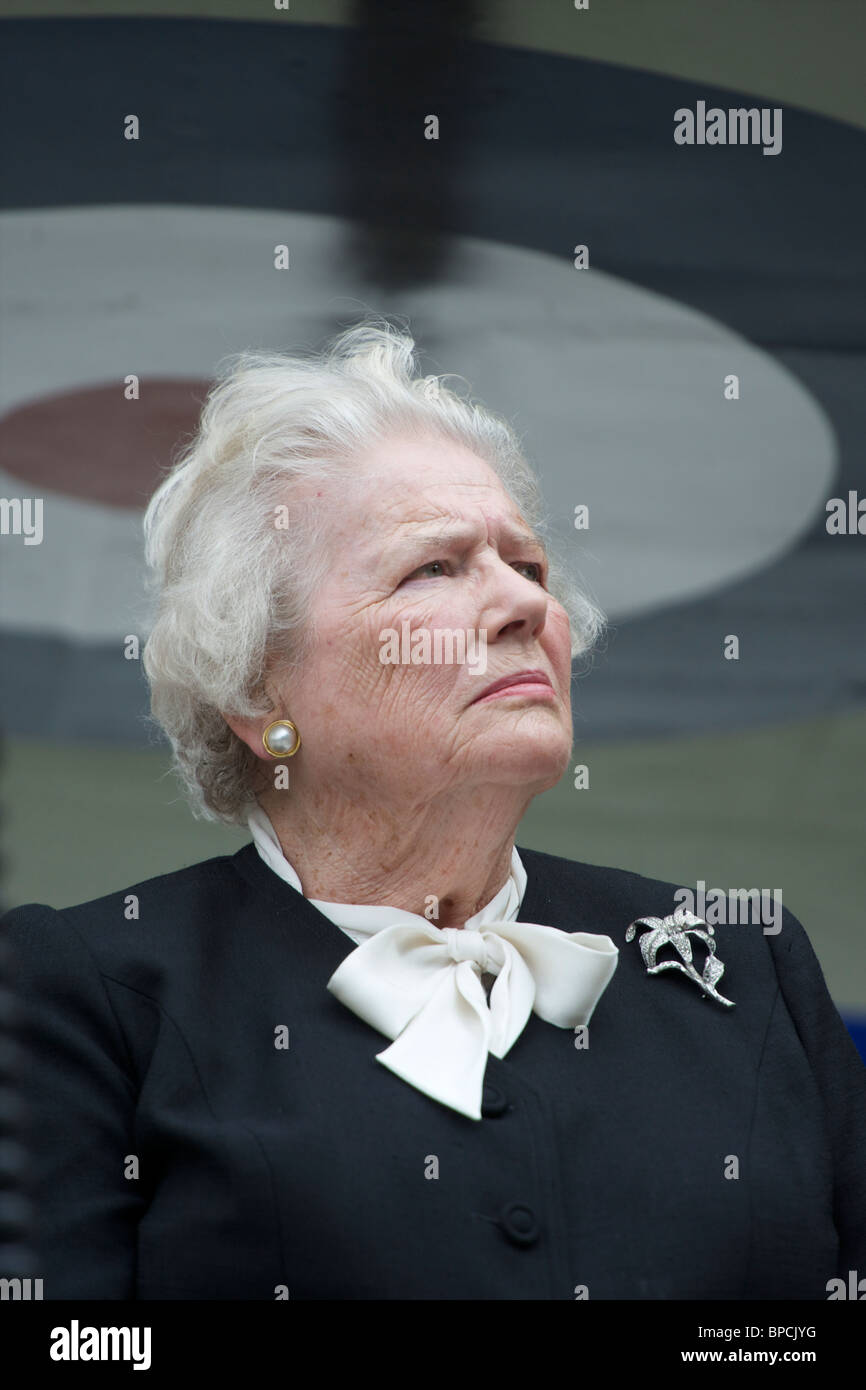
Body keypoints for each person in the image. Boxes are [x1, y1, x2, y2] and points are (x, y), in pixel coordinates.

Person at [3, 320, 865, 1300]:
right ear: (259, 691)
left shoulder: (740, 961)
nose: (525, 607)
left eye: (526, 567)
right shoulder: (80, 992)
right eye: (432, 568)